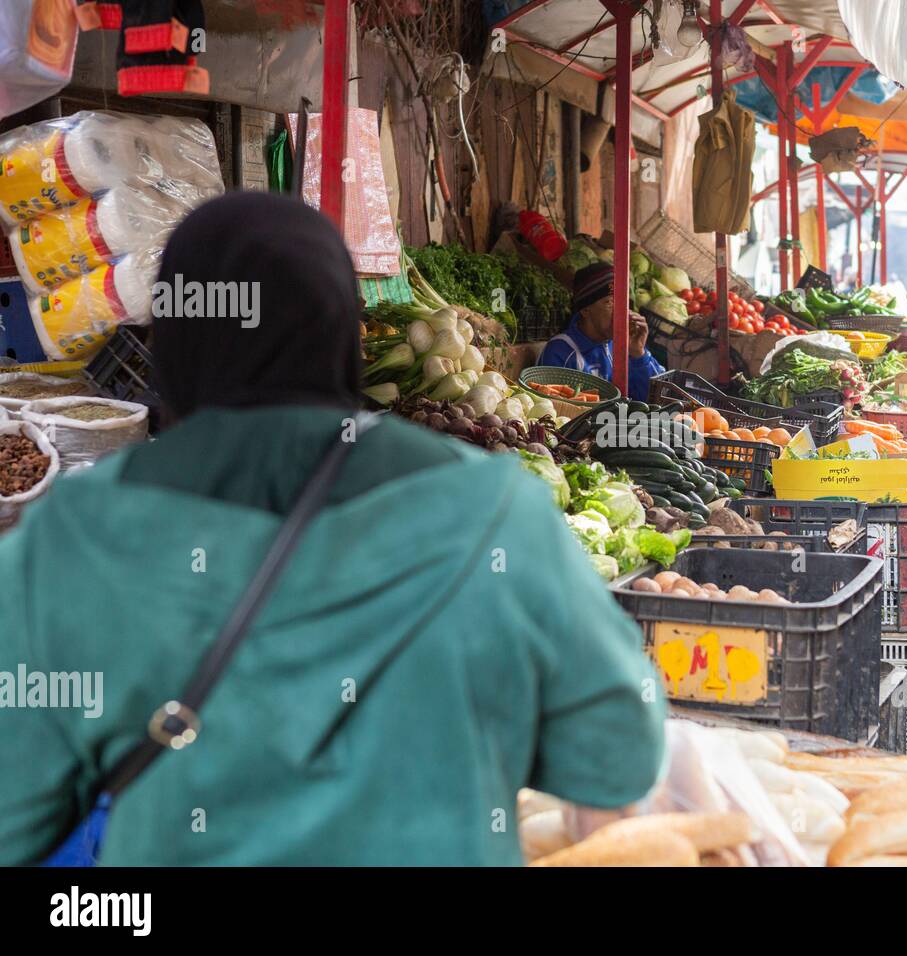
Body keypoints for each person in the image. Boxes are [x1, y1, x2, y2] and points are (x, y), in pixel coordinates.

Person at [0, 194, 665, 866]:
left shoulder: (74, 530)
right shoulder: (493, 507)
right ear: (345, 332)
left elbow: (14, 814)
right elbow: (618, 753)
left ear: (173, 338)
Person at [539, 262, 664, 402]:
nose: (621, 311)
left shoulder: (626, 346)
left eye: (624, 302)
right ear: (585, 310)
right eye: (609, 302)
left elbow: (653, 401)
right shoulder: (560, 351)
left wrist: (639, 355)